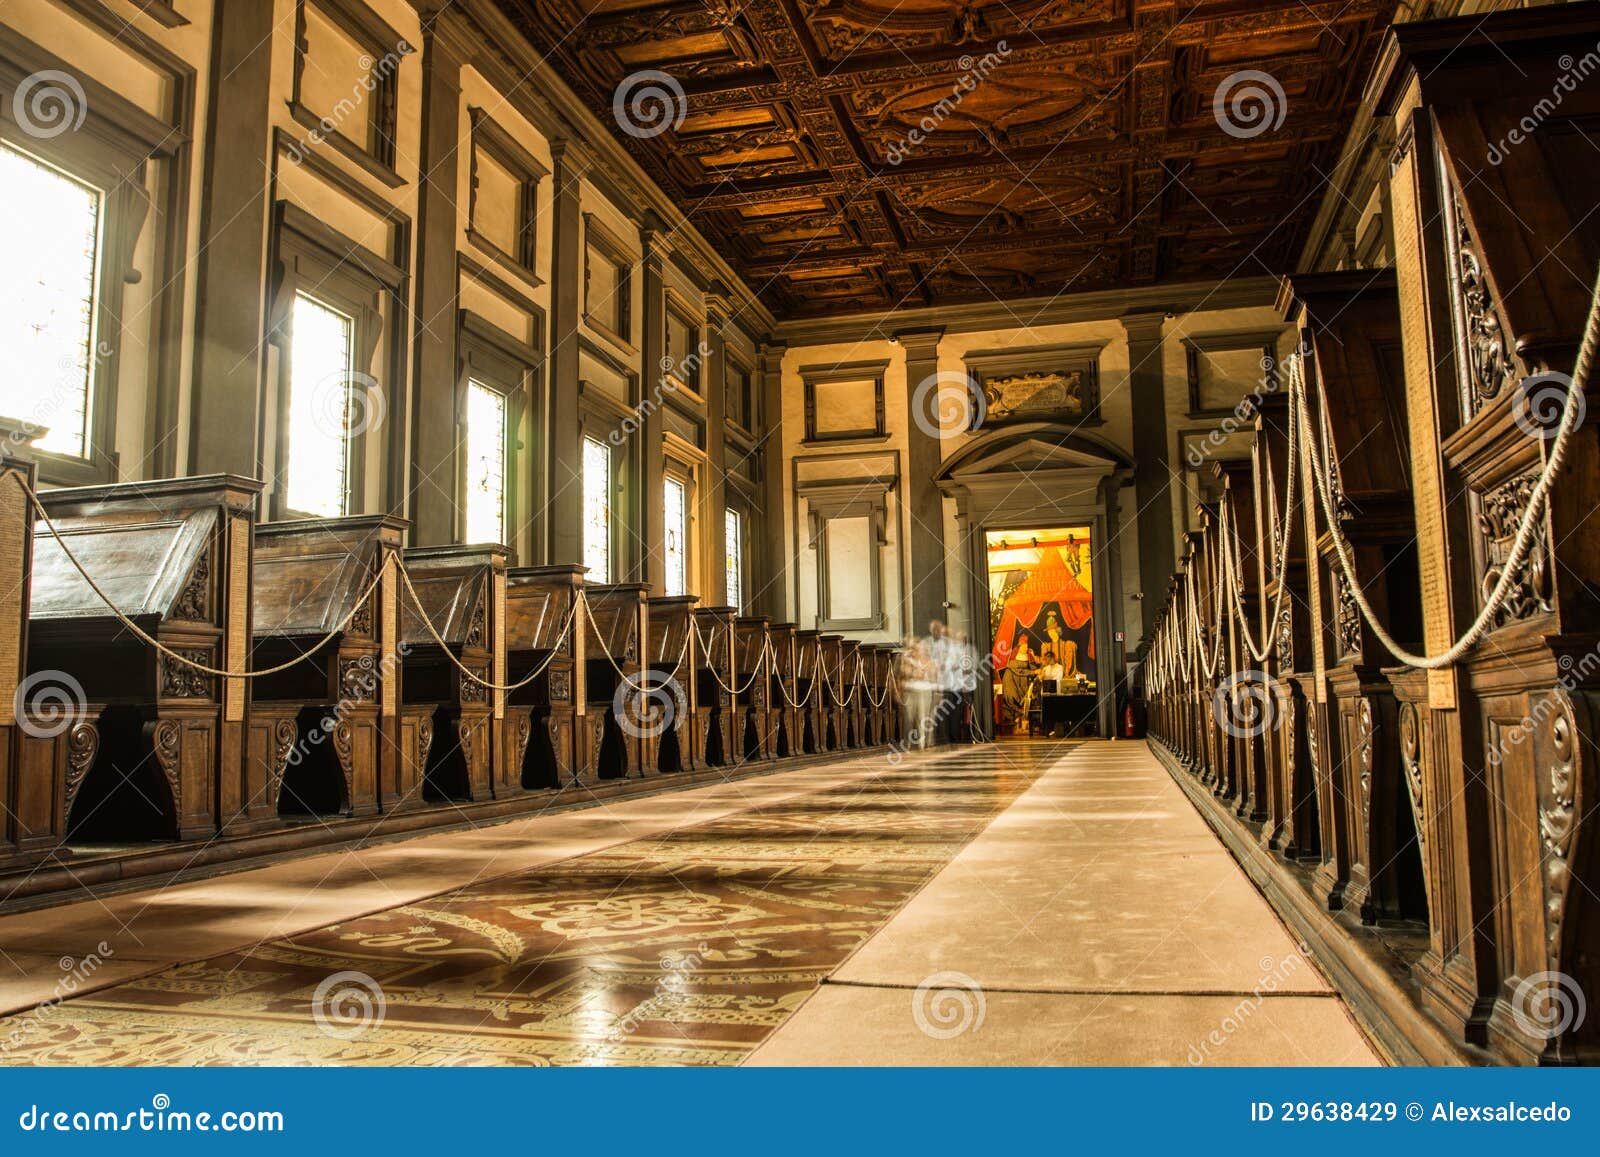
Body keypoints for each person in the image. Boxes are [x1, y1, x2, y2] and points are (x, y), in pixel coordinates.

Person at [1000, 635, 1041, 734]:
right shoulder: (1014, 655)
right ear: (1019, 646)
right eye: (1023, 646)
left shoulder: (1028, 655)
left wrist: (1037, 668)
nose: (1025, 648)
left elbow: (1031, 667)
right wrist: (1033, 672)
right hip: (1012, 680)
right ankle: (1015, 722)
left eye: (1026, 646)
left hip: (1023, 681)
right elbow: (1018, 671)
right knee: (1012, 697)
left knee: (1029, 697)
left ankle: (1026, 723)